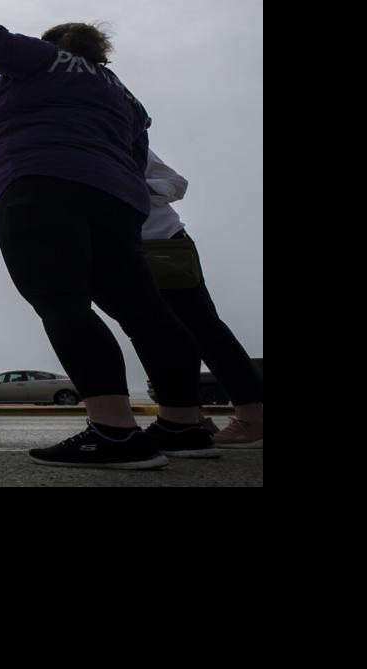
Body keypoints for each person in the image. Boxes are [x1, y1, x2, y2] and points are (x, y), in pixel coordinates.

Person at [0, 1, 215, 470]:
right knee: (144, 310)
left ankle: (114, 432)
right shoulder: (125, 97)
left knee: (63, 303)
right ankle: (183, 425)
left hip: (41, 184)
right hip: (117, 202)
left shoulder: (47, 59)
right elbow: (136, 156)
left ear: (58, 42)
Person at [143, 150, 264, 448]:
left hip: (162, 244)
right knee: (154, 335)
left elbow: (176, 183)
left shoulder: (121, 135)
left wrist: (133, 187)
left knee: (202, 328)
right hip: (118, 247)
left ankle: (254, 417)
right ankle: (188, 419)